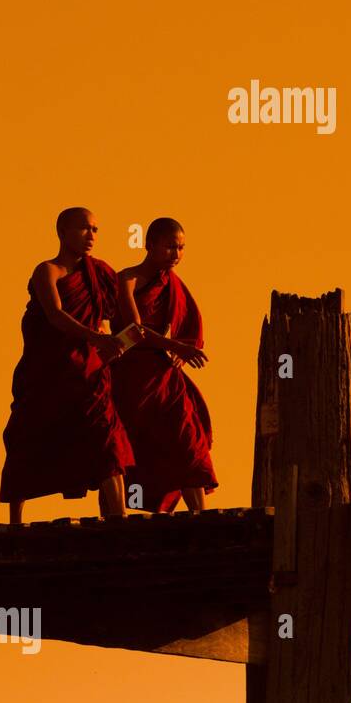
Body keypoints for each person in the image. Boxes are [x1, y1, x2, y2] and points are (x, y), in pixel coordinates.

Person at [0, 207, 135, 525]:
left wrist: (115, 345)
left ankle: (119, 517)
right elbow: (54, 315)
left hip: (89, 371)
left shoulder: (100, 273)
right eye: (84, 228)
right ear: (62, 232)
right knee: (26, 434)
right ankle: (15, 521)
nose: (91, 236)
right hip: (47, 370)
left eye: (95, 229)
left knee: (106, 435)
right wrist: (96, 338)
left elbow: (103, 322)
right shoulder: (47, 270)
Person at [111, 218, 217, 513]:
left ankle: (201, 516)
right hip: (132, 377)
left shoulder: (173, 285)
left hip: (166, 377)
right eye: (170, 247)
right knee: (128, 449)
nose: (176, 254)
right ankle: (116, 517)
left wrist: (180, 352)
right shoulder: (126, 280)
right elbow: (133, 332)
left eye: (181, 248)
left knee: (188, 442)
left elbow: (189, 328)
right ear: (149, 245)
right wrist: (175, 346)